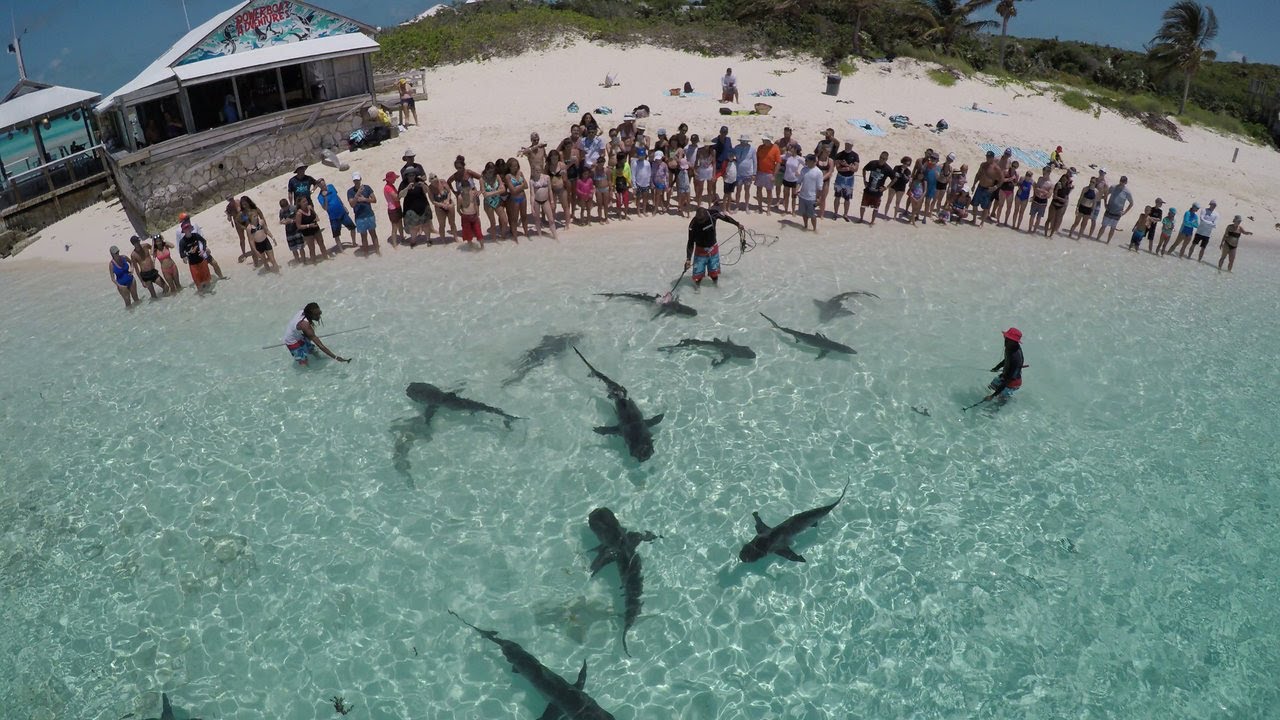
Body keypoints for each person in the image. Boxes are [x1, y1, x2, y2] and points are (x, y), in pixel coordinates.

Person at [685, 206, 743, 288]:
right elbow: (690, 242)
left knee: (714, 274)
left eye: (702, 220)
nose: (700, 222)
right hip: (700, 251)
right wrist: (688, 259)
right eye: (698, 220)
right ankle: (697, 290)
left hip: (713, 249)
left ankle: (715, 286)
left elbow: (726, 218)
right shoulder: (693, 225)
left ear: (706, 215)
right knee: (698, 277)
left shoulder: (713, 214)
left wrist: (737, 224)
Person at [284, 302, 350, 366]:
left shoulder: (305, 311)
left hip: (299, 335)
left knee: (312, 350)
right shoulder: (305, 325)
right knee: (303, 360)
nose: (319, 316)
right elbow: (320, 345)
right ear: (310, 315)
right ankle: (306, 374)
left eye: (319, 313)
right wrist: (336, 357)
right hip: (292, 341)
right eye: (316, 315)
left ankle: (319, 359)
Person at [175, 215, 226, 280]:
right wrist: (184, 256)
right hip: (192, 255)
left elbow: (201, 237)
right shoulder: (178, 231)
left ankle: (221, 277)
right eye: (185, 219)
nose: (188, 220)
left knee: (214, 263)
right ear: (181, 221)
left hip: (201, 250)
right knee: (199, 272)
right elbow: (179, 244)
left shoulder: (194, 224)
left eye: (188, 218)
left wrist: (206, 248)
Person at [983, 327, 1025, 404]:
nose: (1005, 340)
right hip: (1005, 376)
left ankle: (1004, 401)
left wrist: (992, 396)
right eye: (1006, 337)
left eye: (1008, 339)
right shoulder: (1010, 347)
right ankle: (997, 396)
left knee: (999, 402)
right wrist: (997, 367)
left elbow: (1007, 381)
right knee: (991, 386)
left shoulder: (1015, 358)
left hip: (1012, 383)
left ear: (1015, 342)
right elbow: (1006, 360)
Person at [243, 196, 281, 272]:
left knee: (272, 260)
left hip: (266, 242)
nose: (256, 217)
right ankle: (270, 277)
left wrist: (273, 238)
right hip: (258, 245)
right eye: (254, 216)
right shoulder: (249, 228)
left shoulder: (261, 222)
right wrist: (255, 251)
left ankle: (278, 273)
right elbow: (251, 240)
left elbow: (266, 230)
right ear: (250, 218)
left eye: (256, 216)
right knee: (265, 262)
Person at [346, 172, 380, 254]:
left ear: (360, 179)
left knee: (373, 234)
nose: (356, 182)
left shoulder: (367, 188)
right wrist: (357, 194)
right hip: (359, 217)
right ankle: (366, 254)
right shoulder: (350, 191)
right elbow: (352, 204)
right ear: (353, 181)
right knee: (363, 236)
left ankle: (377, 251)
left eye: (358, 180)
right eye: (355, 180)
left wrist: (365, 199)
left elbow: (374, 200)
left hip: (369, 214)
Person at [317, 181, 356, 250]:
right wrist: (325, 197)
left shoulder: (331, 186)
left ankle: (354, 243)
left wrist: (344, 206)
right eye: (321, 186)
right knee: (336, 234)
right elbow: (325, 208)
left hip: (342, 212)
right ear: (319, 187)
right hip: (333, 216)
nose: (324, 186)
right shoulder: (320, 196)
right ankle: (341, 249)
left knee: (352, 227)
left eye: (324, 184)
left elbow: (337, 197)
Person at [399, 169, 433, 246]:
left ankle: (428, 239)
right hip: (410, 208)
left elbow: (427, 191)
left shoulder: (419, 180)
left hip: (423, 205)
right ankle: (413, 241)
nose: (412, 177)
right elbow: (400, 195)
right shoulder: (404, 183)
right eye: (410, 175)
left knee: (426, 224)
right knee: (413, 226)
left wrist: (423, 185)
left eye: (413, 175)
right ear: (407, 176)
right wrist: (407, 188)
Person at [1096, 175, 1134, 244]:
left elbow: (1131, 203)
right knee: (1103, 226)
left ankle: (1108, 242)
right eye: (1121, 181)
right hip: (1109, 210)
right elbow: (1106, 194)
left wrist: (1124, 212)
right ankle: (1097, 239)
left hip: (1117, 213)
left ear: (1126, 182)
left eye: (1123, 182)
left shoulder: (1127, 192)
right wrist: (1105, 203)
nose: (1121, 183)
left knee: (1113, 228)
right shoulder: (1113, 187)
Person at [178, 223, 214, 292]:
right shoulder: (182, 242)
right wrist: (188, 253)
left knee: (207, 281)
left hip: (201, 261)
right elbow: (181, 254)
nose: (187, 230)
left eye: (189, 228)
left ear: (191, 228)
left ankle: (209, 295)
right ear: (183, 231)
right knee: (198, 283)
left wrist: (203, 250)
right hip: (193, 264)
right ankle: (202, 297)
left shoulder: (195, 235)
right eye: (186, 229)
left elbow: (203, 241)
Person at [860, 151, 892, 226]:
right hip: (868, 189)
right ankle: (861, 219)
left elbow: (894, 179)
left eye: (884, 159)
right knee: (863, 205)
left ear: (886, 159)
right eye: (881, 157)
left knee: (876, 208)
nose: (881, 159)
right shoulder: (873, 163)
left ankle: (872, 221)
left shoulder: (887, 168)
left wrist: (886, 188)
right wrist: (864, 180)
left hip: (878, 192)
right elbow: (864, 169)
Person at [833, 141, 860, 222]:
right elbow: (838, 168)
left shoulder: (855, 155)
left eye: (849, 144)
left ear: (852, 145)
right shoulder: (839, 155)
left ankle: (845, 214)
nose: (847, 146)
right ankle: (835, 213)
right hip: (840, 178)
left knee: (847, 198)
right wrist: (849, 167)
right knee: (837, 196)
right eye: (846, 144)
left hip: (850, 179)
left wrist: (846, 165)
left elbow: (856, 169)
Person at [428, 173, 458, 243]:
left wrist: (447, 201)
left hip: (449, 204)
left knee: (452, 223)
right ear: (431, 182)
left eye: (436, 180)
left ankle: (455, 237)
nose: (435, 182)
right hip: (439, 207)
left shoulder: (442, 182)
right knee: (442, 224)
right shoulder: (430, 188)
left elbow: (449, 192)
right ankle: (443, 239)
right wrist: (441, 205)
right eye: (433, 181)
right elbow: (433, 201)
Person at [797, 153, 824, 232]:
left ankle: (814, 229)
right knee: (804, 213)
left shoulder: (818, 172)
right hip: (802, 196)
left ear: (812, 161)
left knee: (812, 215)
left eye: (807, 160)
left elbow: (819, 187)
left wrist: (818, 199)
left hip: (812, 197)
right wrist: (796, 191)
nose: (805, 161)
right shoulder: (803, 169)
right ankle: (805, 226)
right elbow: (799, 181)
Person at [455, 175, 484, 246]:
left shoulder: (473, 193)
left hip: (474, 216)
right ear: (461, 188)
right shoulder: (460, 197)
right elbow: (458, 209)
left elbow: (475, 204)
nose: (466, 190)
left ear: (470, 187)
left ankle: (482, 247)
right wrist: (462, 215)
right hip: (465, 217)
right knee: (468, 234)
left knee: (478, 233)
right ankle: (471, 247)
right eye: (465, 188)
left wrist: (477, 214)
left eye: (468, 188)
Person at [755, 134, 780, 214]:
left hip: (769, 173)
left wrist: (774, 175)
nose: (763, 141)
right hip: (759, 172)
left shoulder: (775, 148)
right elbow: (756, 160)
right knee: (759, 190)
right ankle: (760, 207)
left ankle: (768, 209)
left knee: (769, 191)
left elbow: (778, 162)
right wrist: (755, 172)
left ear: (769, 141)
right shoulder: (760, 147)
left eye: (764, 140)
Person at [295, 195, 325, 262]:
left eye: (306, 201)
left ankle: (326, 258)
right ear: (300, 203)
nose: (306, 202)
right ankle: (314, 262)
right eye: (304, 202)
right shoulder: (299, 213)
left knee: (322, 244)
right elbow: (299, 226)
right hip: (307, 233)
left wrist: (317, 218)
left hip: (316, 228)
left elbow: (315, 214)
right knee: (312, 248)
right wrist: (309, 225)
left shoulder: (310, 207)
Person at [279, 198, 305, 263]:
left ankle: (304, 260)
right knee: (293, 248)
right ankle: (297, 261)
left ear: (288, 204)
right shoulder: (281, 211)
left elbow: (300, 218)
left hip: (297, 229)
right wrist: (283, 222)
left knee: (300, 247)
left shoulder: (294, 208)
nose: (285, 209)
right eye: (283, 208)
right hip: (289, 231)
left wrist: (291, 221)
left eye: (286, 207)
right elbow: (281, 220)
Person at [225, 195, 249, 261]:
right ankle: (244, 253)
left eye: (231, 198)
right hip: (239, 222)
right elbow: (229, 218)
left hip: (243, 220)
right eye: (230, 199)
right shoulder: (229, 207)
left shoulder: (237, 202)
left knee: (247, 236)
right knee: (243, 238)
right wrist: (229, 215)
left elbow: (245, 209)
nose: (231, 200)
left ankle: (251, 251)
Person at [383, 171, 404, 244]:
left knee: (400, 224)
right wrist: (403, 193)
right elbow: (396, 198)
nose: (395, 179)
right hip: (393, 209)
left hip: (397, 207)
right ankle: (394, 244)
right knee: (394, 227)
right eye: (394, 178)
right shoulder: (388, 187)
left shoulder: (391, 186)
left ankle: (402, 239)